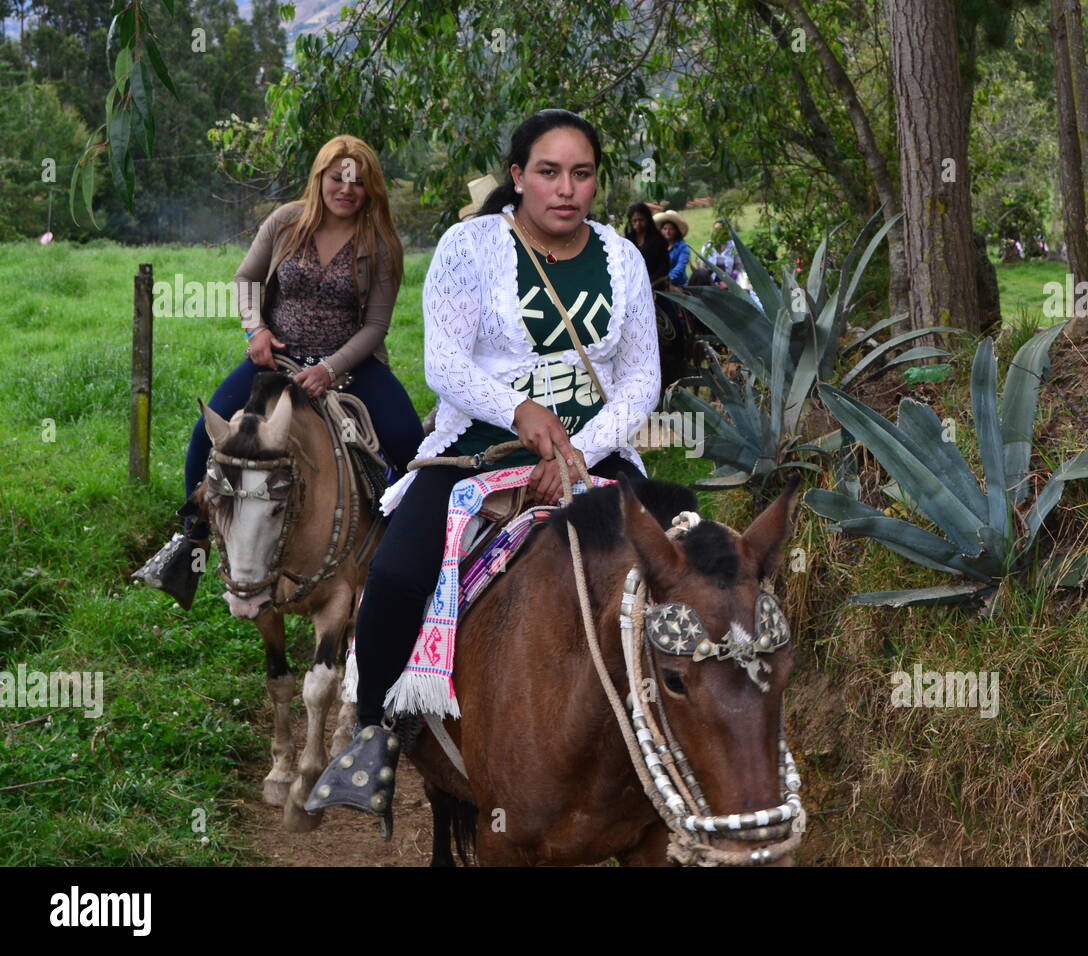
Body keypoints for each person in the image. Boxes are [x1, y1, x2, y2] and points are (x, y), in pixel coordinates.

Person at [305, 109, 661, 828]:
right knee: (400, 574)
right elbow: (445, 361)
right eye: (549, 172)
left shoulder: (622, 257)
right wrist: (521, 410)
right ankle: (374, 733)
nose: (567, 189)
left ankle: (680, 746)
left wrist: (580, 453)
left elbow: (641, 377)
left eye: (582, 174)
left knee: (680, 569)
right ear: (518, 177)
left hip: (595, 450)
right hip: (478, 449)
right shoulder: (470, 247)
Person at [132, 135, 425, 609]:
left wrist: (331, 368)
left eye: (358, 181)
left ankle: (402, 554)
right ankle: (192, 541)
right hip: (274, 360)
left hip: (351, 368)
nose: (346, 189)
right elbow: (246, 278)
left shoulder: (380, 243)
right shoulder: (286, 222)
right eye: (337, 177)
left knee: (411, 448)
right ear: (320, 178)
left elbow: (376, 325)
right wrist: (257, 331)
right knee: (206, 438)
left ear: (371, 189)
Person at [654, 209, 691, 289]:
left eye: (671, 229)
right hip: (657, 284)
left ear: (676, 231)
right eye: (665, 229)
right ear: (660, 231)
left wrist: (668, 278)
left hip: (678, 285)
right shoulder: (656, 246)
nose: (667, 232)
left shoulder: (683, 247)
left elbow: (680, 266)